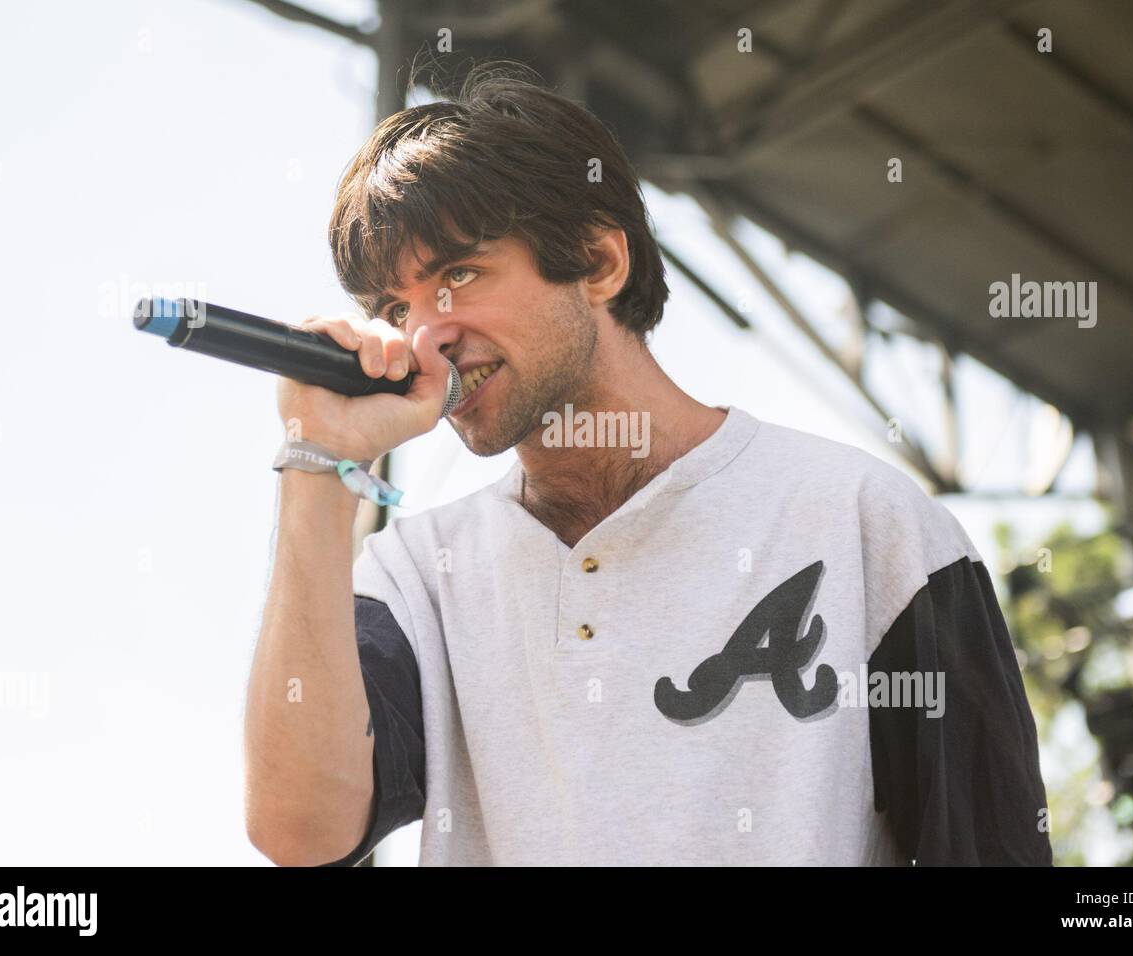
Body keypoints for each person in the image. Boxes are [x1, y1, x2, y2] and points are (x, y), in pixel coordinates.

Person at [243, 64, 1053, 867]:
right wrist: (316, 461)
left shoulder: (865, 519)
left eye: (457, 276)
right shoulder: (419, 573)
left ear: (599, 262)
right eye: (394, 309)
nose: (423, 337)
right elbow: (300, 830)